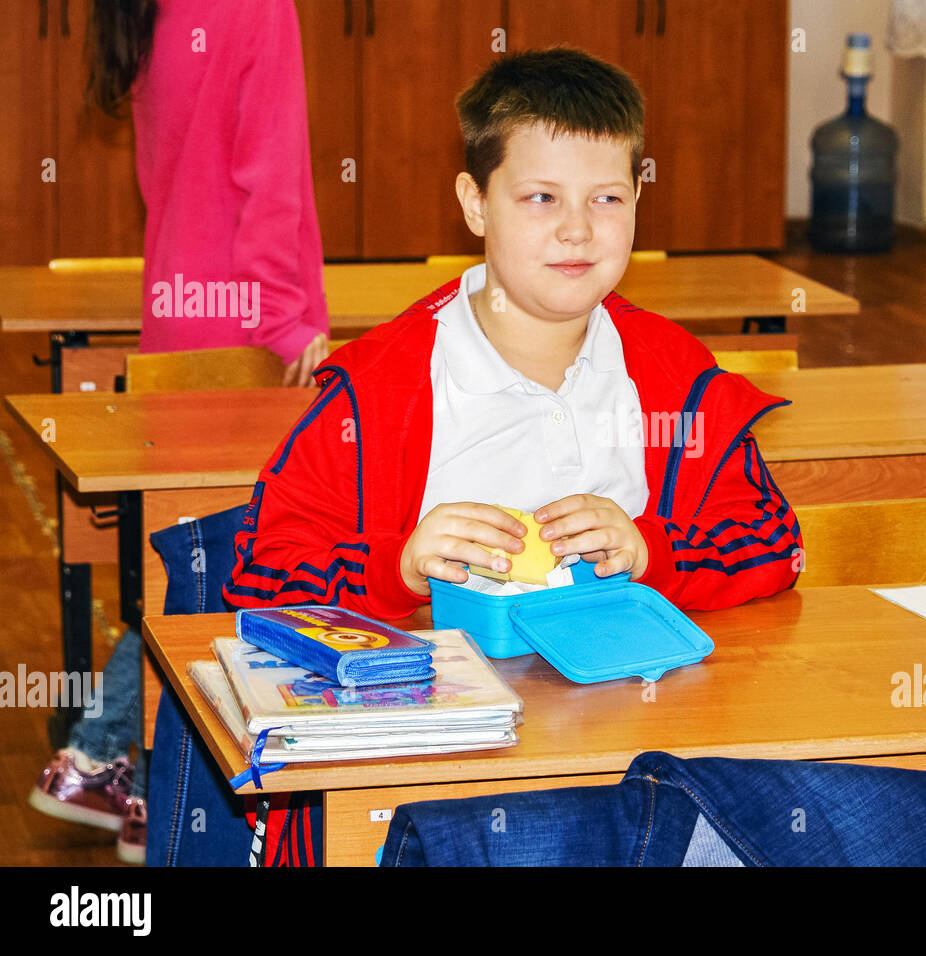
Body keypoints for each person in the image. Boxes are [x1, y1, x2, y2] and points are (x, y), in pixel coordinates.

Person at [223, 47, 802, 621]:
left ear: (637, 202)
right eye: (541, 198)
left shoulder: (672, 371)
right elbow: (260, 575)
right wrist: (397, 567)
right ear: (476, 204)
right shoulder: (380, 386)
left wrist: (653, 551)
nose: (576, 229)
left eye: (606, 198)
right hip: (444, 703)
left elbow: (776, 543)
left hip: (630, 697)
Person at [30, 0, 330, 863]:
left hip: (180, 323)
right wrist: (283, 324)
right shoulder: (257, 7)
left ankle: (130, 789)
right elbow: (267, 177)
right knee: (235, 570)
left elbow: (175, 178)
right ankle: (101, 762)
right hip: (247, 335)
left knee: (199, 570)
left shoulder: (156, 8)